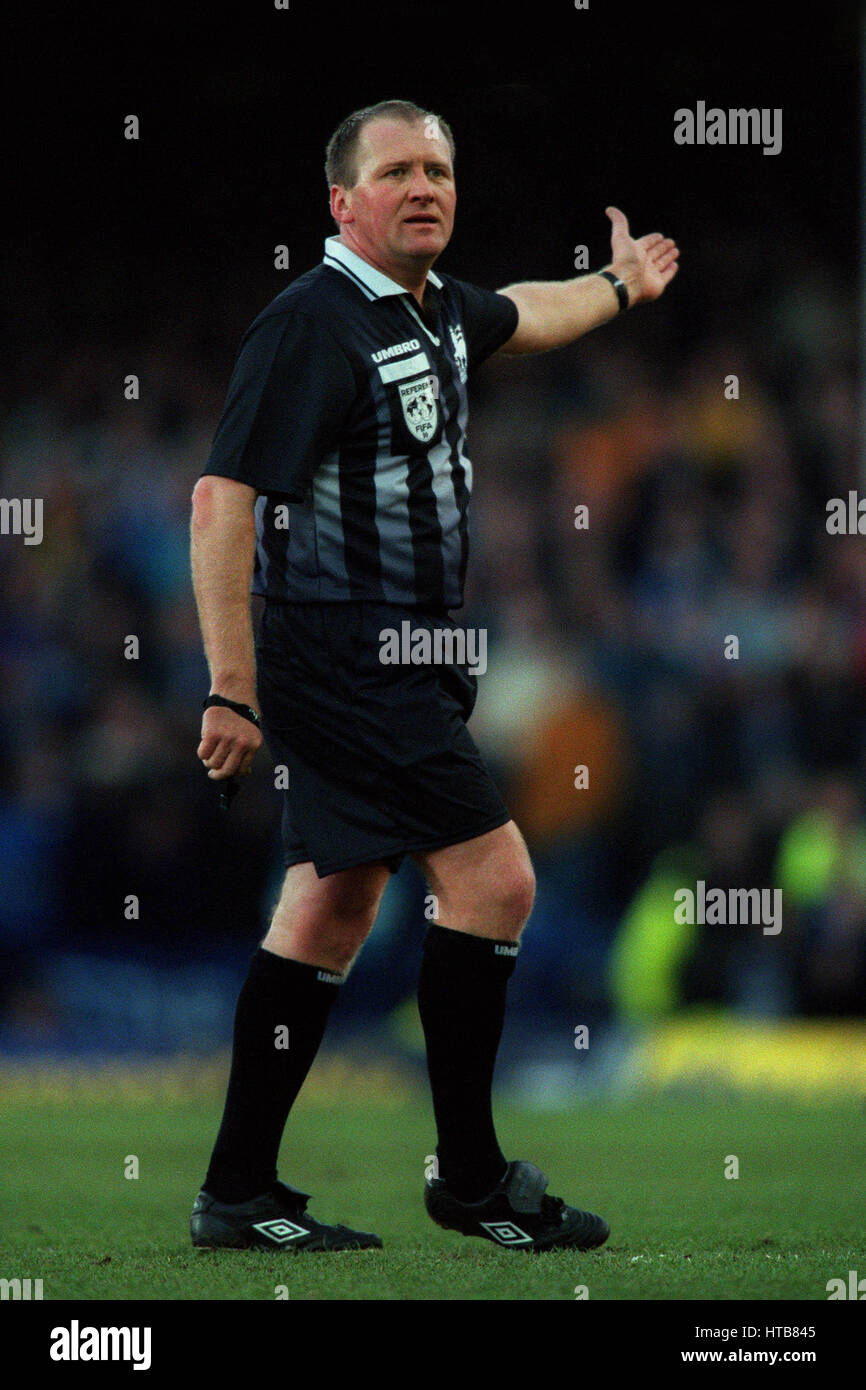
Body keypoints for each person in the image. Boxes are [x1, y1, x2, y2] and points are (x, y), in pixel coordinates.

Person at [188, 98, 679, 1254]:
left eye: (439, 170)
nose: (423, 187)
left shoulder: (434, 310)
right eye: (396, 170)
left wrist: (616, 288)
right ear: (339, 202)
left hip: (401, 649)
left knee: (329, 901)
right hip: (344, 647)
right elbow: (221, 499)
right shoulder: (313, 321)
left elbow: (529, 312)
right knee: (495, 880)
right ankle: (468, 1176)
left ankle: (235, 1190)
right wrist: (229, 684)